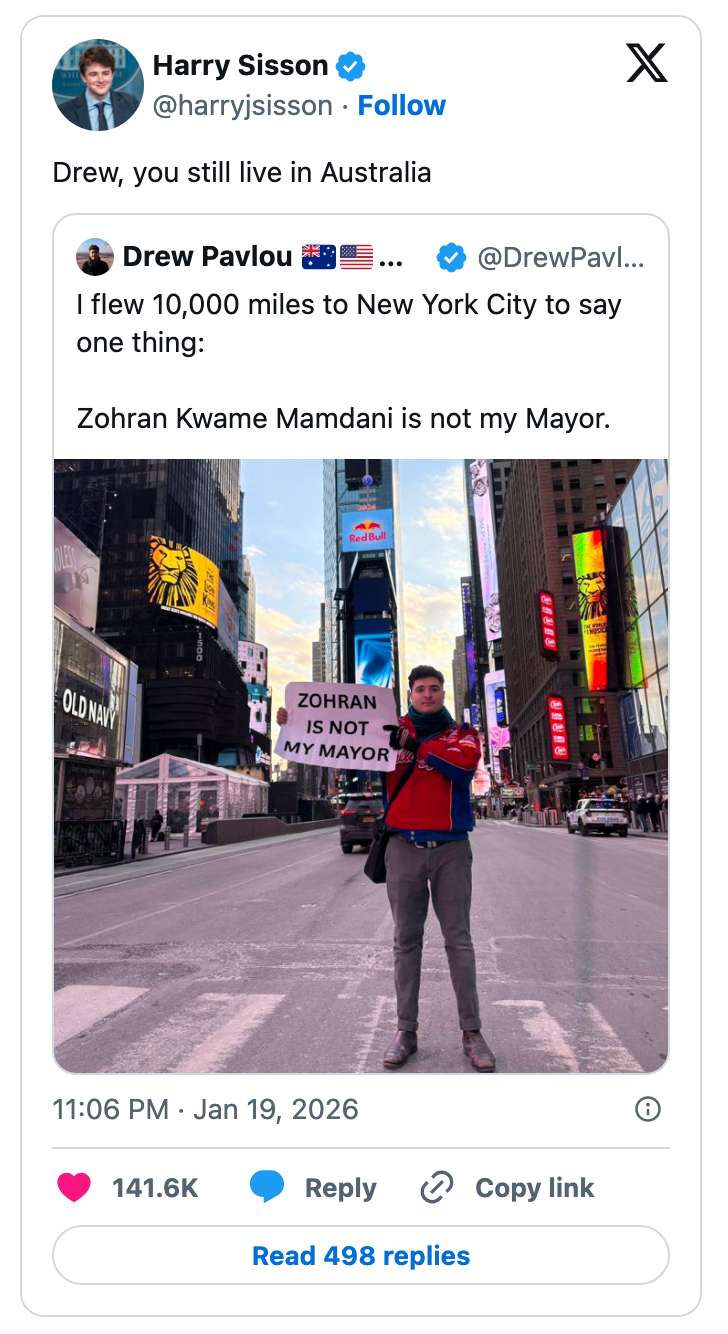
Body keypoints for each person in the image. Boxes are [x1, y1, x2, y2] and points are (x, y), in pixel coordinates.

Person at [380, 666, 495, 1073]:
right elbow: (336, 743)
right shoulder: (387, 729)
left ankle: (472, 1032)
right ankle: (405, 1031)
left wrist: (419, 746)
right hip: (403, 847)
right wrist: (294, 727)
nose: (427, 694)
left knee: (458, 942)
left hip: (450, 849)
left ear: (443, 692)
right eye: (419, 689)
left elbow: (463, 769)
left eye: (433, 688)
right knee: (405, 943)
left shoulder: (463, 734)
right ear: (410, 694)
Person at [59, 46, 140, 131]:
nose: (101, 80)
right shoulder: (64, 113)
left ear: (112, 75)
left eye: (105, 73)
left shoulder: (131, 104)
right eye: (93, 74)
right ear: (83, 77)